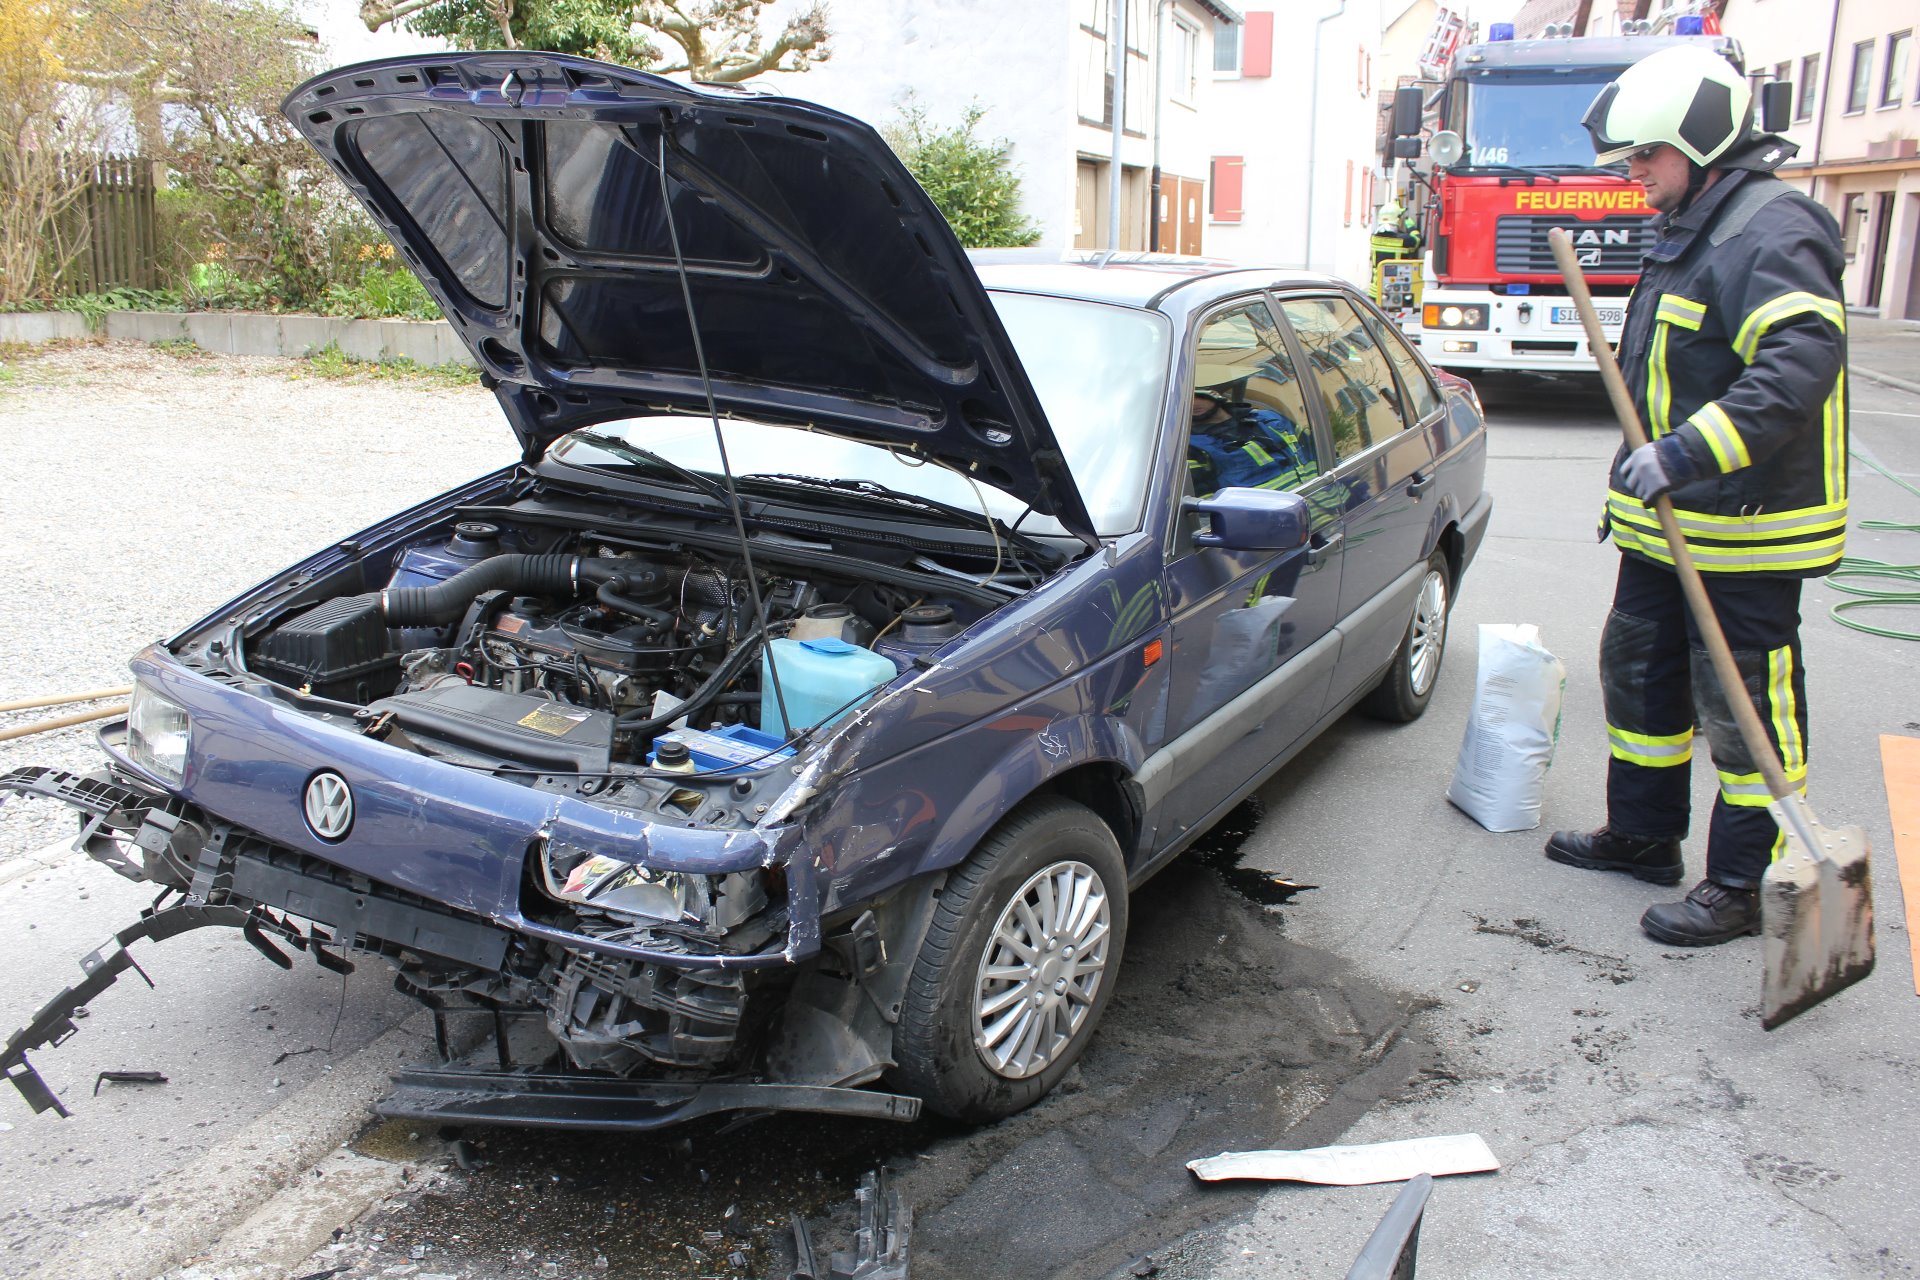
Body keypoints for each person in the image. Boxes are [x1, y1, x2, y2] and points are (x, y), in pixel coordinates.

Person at [1543, 44, 1848, 946]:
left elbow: (1798, 367)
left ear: (1702, 142)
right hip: (1660, 530)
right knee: (1640, 683)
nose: (1633, 174)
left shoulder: (1771, 230)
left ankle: (1747, 882)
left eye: (1646, 156)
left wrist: (1683, 453)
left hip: (1746, 529)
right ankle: (1643, 834)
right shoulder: (1692, 222)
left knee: (1745, 710)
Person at [1186, 390, 1316, 495]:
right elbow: (1204, 512)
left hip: (1324, 516)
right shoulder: (1190, 449)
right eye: (1183, 399)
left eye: (1195, 394)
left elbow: (1316, 459)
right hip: (1269, 525)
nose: (1191, 403)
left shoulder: (1271, 419)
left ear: (1214, 392)